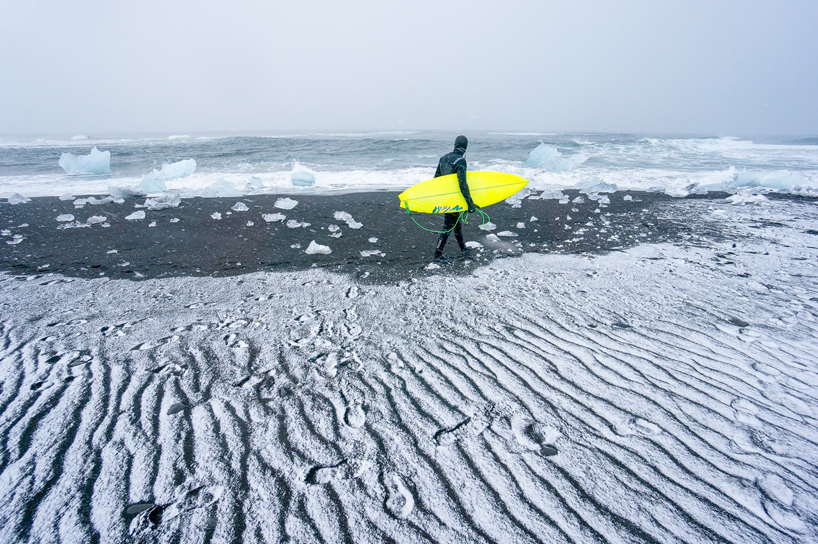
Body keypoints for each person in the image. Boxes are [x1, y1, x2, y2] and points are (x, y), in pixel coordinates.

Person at [433, 135, 478, 261]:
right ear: (466, 147)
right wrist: (469, 203)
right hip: (454, 198)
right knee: (448, 226)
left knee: (456, 224)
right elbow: (462, 183)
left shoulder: (443, 158)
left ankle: (463, 249)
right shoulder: (460, 161)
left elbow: (436, 180)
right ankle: (437, 255)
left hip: (446, 196)